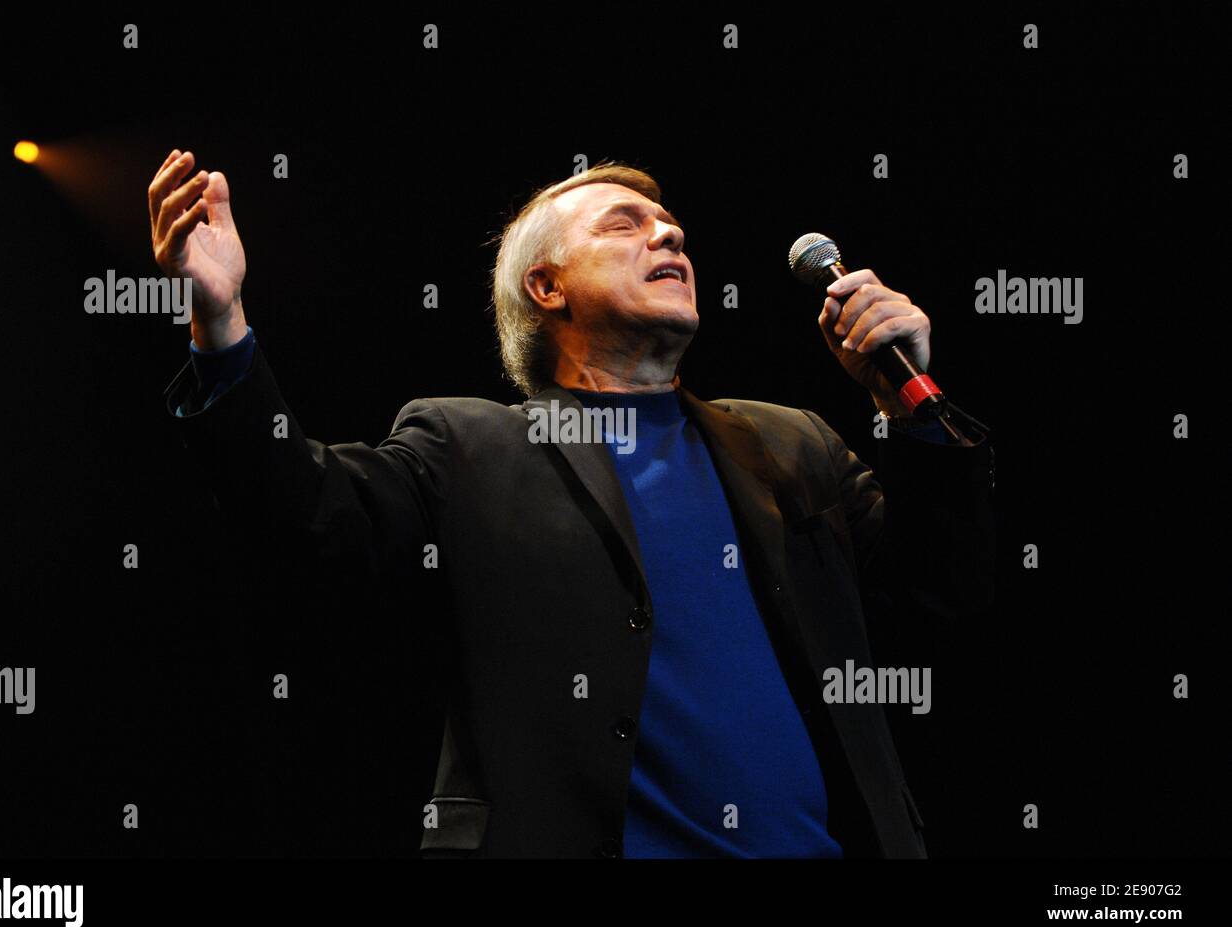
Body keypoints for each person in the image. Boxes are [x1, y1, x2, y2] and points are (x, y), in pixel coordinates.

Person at [150, 149, 995, 858]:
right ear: (546, 288)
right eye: (624, 225)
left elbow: (937, 593)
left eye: (671, 229)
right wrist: (220, 326)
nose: (667, 234)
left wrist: (905, 410)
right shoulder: (467, 448)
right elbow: (305, 512)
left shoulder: (790, 443)